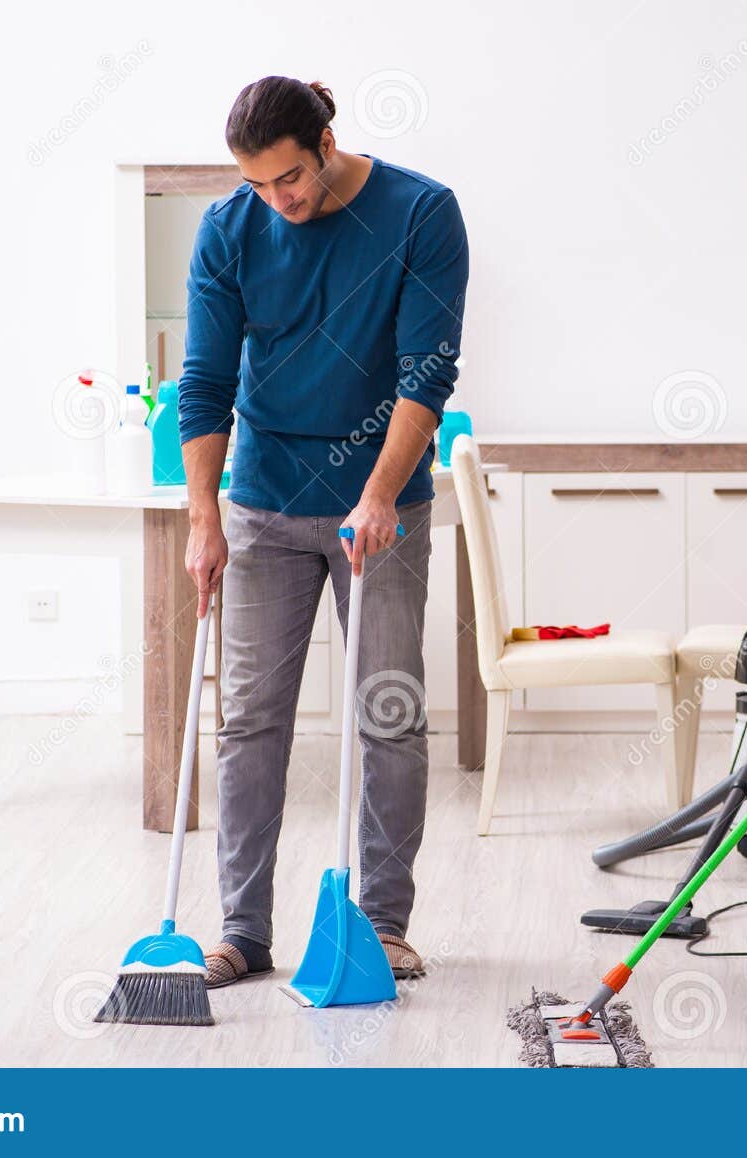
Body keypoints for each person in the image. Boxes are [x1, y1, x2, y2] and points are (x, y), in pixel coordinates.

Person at [175, 75, 469, 988]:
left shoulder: (422, 212)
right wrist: (203, 518)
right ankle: (242, 933)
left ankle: (378, 928)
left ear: (328, 138)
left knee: (389, 714)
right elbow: (205, 381)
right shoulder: (229, 231)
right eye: (260, 185)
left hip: (377, 510)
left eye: (291, 178)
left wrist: (381, 493)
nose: (279, 201)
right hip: (262, 503)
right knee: (250, 721)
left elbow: (429, 370)